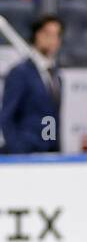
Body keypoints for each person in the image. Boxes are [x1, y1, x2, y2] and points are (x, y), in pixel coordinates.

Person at [0, 13, 61, 155]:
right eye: (48, 34)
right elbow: (7, 116)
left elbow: (51, 116)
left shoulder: (56, 75)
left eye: (57, 35)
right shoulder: (20, 73)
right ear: (38, 35)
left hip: (49, 152)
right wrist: (18, 150)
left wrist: (54, 149)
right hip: (25, 152)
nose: (54, 40)